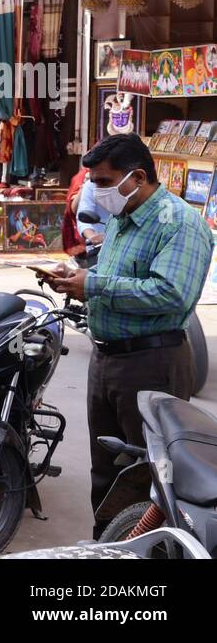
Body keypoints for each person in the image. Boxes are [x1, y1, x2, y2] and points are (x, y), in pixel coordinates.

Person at [45, 134, 214, 537]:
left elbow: (172, 294)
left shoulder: (179, 223)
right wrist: (78, 281)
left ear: (137, 176)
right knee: (106, 467)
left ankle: (149, 546)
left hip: (151, 363)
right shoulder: (123, 217)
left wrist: (96, 286)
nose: (95, 191)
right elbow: (115, 279)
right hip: (107, 360)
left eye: (103, 182)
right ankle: (108, 542)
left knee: (149, 473)